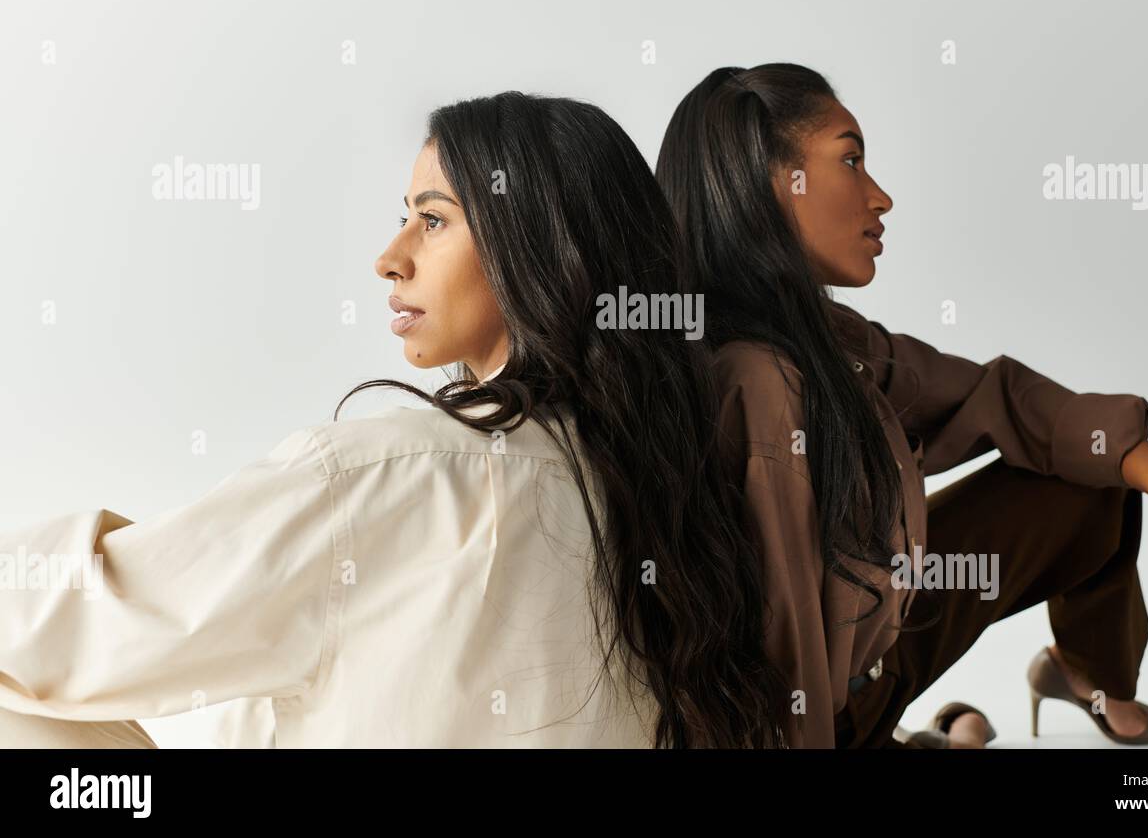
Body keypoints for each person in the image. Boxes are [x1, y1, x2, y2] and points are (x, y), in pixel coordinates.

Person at [0, 92, 788, 748]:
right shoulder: (666, 507)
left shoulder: (390, 475)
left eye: (433, 220)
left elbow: (76, 620)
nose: (390, 256)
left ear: (541, 246)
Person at [655, 62, 1148, 748]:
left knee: (1092, 465)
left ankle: (1087, 678)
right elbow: (779, 672)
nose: (880, 197)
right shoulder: (756, 383)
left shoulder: (825, 340)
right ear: (768, 184)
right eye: (851, 161)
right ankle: (943, 735)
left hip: (870, 656)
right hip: (810, 726)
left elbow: (992, 397)